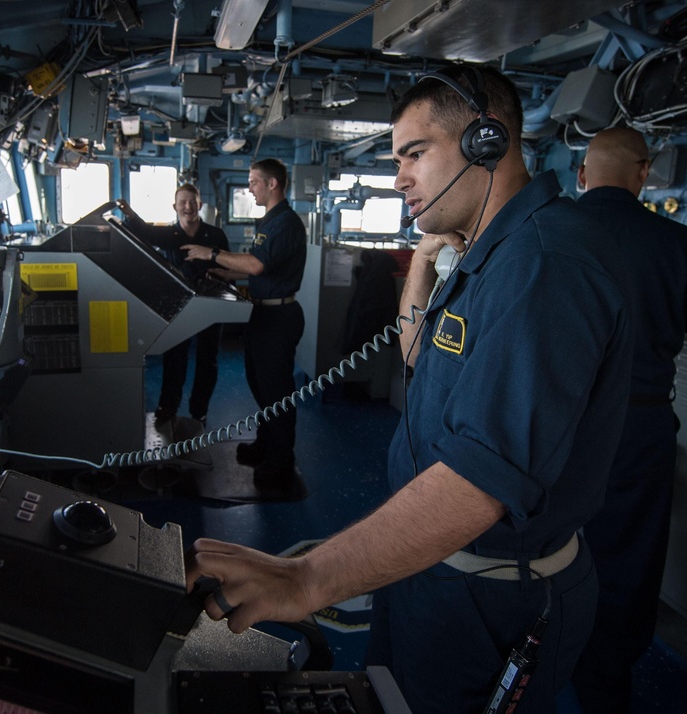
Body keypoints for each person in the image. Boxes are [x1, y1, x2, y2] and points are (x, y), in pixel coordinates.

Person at [184, 65, 633, 713]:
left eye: (414, 154)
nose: (398, 177)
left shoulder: (544, 264)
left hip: (489, 594)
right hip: (427, 562)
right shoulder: (489, 252)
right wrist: (425, 255)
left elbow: (482, 481)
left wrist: (308, 577)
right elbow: (418, 350)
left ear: (487, 141)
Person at [569, 127, 687, 713]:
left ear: (582, 175)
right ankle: (606, 683)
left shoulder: (550, 234)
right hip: (641, 429)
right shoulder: (676, 243)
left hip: (560, 424)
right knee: (630, 559)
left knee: (543, 543)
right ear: (645, 173)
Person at [183, 158, 307, 485]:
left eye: (254, 182)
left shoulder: (285, 223)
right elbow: (255, 267)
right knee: (259, 385)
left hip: (279, 316)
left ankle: (281, 461)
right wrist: (222, 272)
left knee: (277, 392)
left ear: (272, 184)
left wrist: (210, 254)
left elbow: (255, 266)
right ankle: (265, 445)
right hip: (263, 312)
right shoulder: (270, 221)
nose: (249, 188)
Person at [120, 184, 229, 427]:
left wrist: (216, 273)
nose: (188, 207)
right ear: (175, 207)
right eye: (183, 202)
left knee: (207, 359)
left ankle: (199, 410)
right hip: (180, 307)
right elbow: (144, 231)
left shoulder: (216, 236)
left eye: (192, 202)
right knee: (174, 357)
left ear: (200, 205)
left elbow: (228, 266)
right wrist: (129, 213)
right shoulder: (169, 235)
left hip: (212, 304)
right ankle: (167, 407)